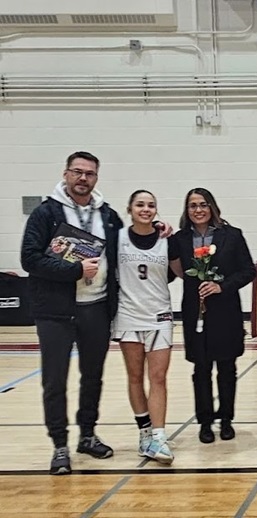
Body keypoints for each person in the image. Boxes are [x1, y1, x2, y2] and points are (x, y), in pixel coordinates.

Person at [21, 151, 123, 475]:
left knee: (92, 377)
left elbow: (129, 244)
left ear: (96, 177)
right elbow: (30, 259)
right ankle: (60, 445)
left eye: (89, 174)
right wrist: (75, 269)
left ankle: (88, 435)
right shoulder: (45, 213)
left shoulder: (107, 215)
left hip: (96, 308)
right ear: (65, 174)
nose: (83, 178)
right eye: (77, 172)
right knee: (55, 381)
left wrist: (158, 230)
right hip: (55, 313)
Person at [171, 188, 256, 444]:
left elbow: (248, 271)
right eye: (193, 205)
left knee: (227, 368)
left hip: (226, 311)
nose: (198, 210)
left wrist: (222, 286)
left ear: (212, 207)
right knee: (201, 368)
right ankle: (205, 421)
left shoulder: (232, 236)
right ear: (187, 211)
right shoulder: (179, 239)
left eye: (203, 204)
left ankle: (227, 419)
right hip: (195, 312)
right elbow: (176, 270)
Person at [113, 189, 181, 464]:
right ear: (129, 208)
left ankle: (159, 435)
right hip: (128, 314)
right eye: (140, 204)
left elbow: (180, 272)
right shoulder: (116, 238)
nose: (146, 209)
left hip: (159, 315)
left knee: (159, 377)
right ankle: (144, 432)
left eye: (151, 205)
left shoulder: (167, 239)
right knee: (134, 376)